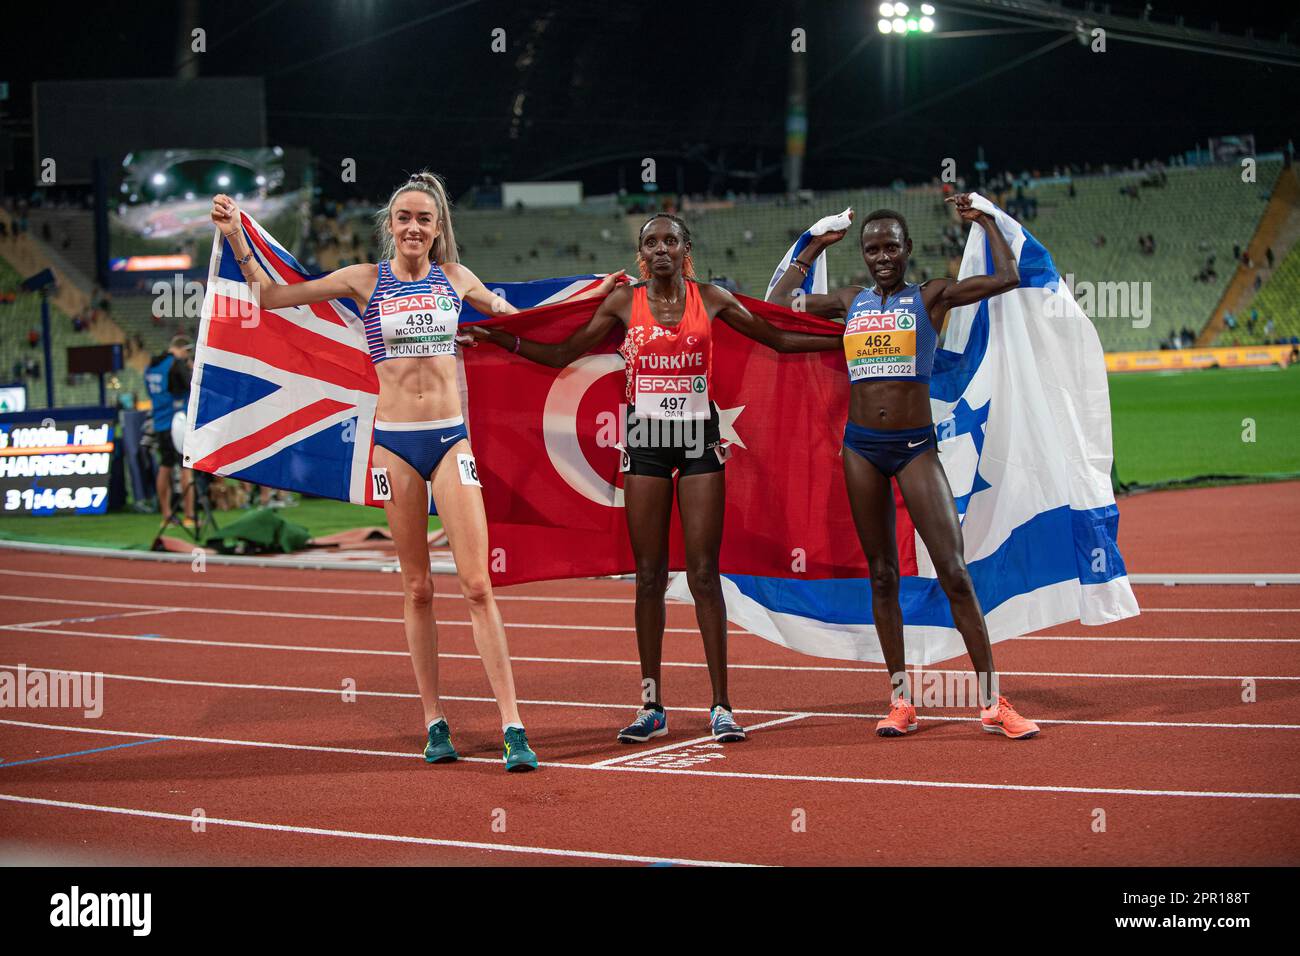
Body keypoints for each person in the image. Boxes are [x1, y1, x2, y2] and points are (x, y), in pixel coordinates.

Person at [210, 173, 619, 772]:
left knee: (477, 585)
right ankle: (435, 721)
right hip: (395, 447)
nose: (413, 227)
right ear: (390, 224)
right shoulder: (363, 280)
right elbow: (271, 298)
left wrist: (593, 298)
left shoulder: (456, 279)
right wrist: (238, 238)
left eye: (424, 219)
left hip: (453, 440)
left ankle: (512, 725)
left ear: (437, 228)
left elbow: (518, 322)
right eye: (404, 217)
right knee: (418, 588)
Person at [468, 213, 841, 745]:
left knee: (704, 573)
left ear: (685, 247)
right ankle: (652, 705)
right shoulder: (625, 302)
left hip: (697, 440)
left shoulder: (710, 298)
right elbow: (564, 353)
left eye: (670, 240)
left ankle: (721, 706)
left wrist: (841, 343)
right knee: (648, 577)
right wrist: (501, 341)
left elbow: (777, 338)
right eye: (651, 242)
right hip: (643, 437)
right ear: (642, 252)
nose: (661, 248)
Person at [767, 196, 1040, 740]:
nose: (882, 256)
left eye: (891, 246)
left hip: (915, 446)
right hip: (861, 448)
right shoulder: (850, 300)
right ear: (864, 255)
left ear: (907, 248)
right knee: (883, 573)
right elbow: (778, 302)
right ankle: (900, 701)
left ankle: (991, 700)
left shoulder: (932, 295)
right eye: (873, 249)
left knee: (955, 572)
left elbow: (1008, 276)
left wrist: (984, 217)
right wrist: (816, 240)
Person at [144, 335, 195, 524]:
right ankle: (189, 515)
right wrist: (190, 369)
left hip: (159, 421)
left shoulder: (151, 366)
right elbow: (189, 385)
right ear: (183, 350)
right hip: (178, 422)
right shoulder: (176, 364)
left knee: (165, 467)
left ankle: (166, 515)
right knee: (186, 468)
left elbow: (150, 392)